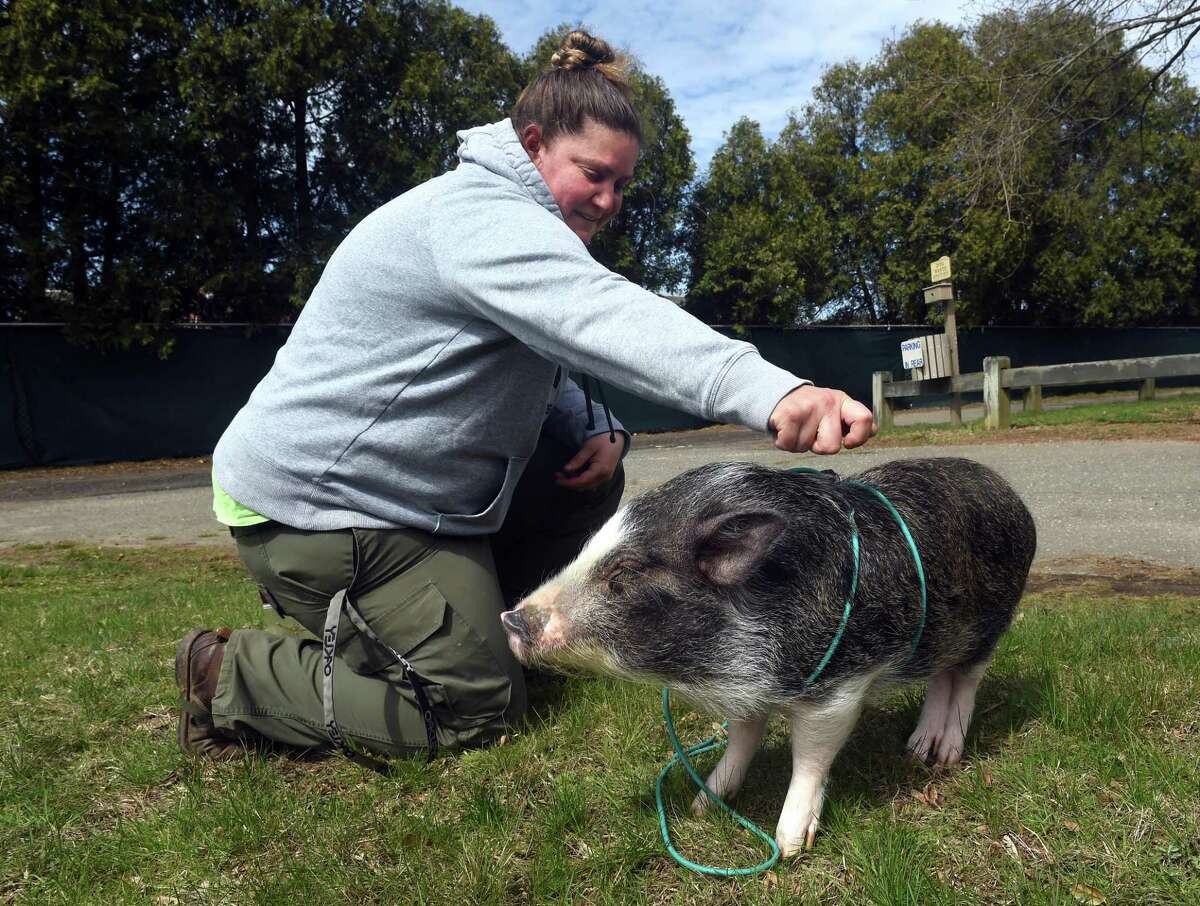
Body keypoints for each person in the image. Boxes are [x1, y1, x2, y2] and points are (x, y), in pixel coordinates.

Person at [176, 29, 876, 765]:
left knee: (584, 464)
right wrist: (771, 390)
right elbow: (598, 316)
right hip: (319, 512)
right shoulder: (477, 216)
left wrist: (594, 424)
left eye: (622, 184)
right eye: (593, 173)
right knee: (474, 710)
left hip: (398, 503)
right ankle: (232, 675)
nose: (607, 200)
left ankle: (455, 628)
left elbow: (531, 355)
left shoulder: (505, 220)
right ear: (535, 143)